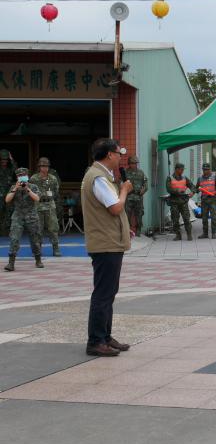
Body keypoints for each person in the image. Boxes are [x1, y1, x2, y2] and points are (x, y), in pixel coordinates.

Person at [81, 138, 132, 357]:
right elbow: (115, 206)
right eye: (118, 153)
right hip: (105, 244)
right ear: (109, 155)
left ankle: (105, 336)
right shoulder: (98, 177)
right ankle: (95, 341)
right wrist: (125, 190)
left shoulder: (101, 176)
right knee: (103, 293)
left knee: (108, 292)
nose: (120, 156)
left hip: (109, 241)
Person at [4, 168, 43, 271]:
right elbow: (7, 200)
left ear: (27, 177)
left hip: (31, 216)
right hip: (18, 216)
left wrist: (28, 189)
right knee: (14, 238)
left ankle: (38, 259)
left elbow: (37, 199)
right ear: (17, 178)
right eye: (20, 176)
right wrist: (15, 188)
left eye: (24, 176)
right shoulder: (13, 187)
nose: (22, 178)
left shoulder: (33, 187)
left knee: (35, 239)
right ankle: (11, 263)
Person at [28, 157, 61, 257]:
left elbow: (56, 190)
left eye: (46, 166)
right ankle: (38, 250)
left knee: (53, 228)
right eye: (42, 166)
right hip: (38, 206)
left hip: (50, 205)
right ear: (39, 167)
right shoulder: (34, 178)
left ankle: (56, 249)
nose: (44, 168)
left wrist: (49, 196)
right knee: (38, 229)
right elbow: (30, 191)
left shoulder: (53, 178)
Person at [166, 162, 195, 241]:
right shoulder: (170, 178)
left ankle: (189, 234)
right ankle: (178, 235)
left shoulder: (185, 177)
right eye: (181, 169)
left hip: (183, 201)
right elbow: (168, 189)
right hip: (174, 201)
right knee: (175, 219)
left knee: (186, 218)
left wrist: (192, 192)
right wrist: (177, 191)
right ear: (177, 169)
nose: (182, 171)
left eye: (183, 169)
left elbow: (192, 186)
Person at [196, 163, 216, 239]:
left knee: (213, 217)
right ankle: (205, 233)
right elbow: (196, 187)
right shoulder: (200, 178)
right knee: (204, 218)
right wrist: (193, 192)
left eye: (206, 170)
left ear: (210, 170)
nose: (205, 171)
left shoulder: (215, 177)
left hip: (213, 200)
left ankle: (213, 233)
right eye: (204, 169)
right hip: (204, 200)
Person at [125, 155, 148, 237]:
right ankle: (127, 231)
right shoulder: (125, 173)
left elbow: (146, 183)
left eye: (136, 163)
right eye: (133, 163)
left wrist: (144, 189)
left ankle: (138, 231)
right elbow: (121, 183)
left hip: (138, 197)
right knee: (127, 215)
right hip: (128, 197)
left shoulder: (141, 173)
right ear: (129, 164)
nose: (134, 165)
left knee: (139, 214)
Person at [0, 149, 16, 237]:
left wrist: (12, 159)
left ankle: (6, 230)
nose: (4, 161)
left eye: (6, 159)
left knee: (9, 211)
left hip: (8, 193)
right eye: (2, 159)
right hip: (0, 193)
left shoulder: (10, 169)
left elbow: (16, 170)